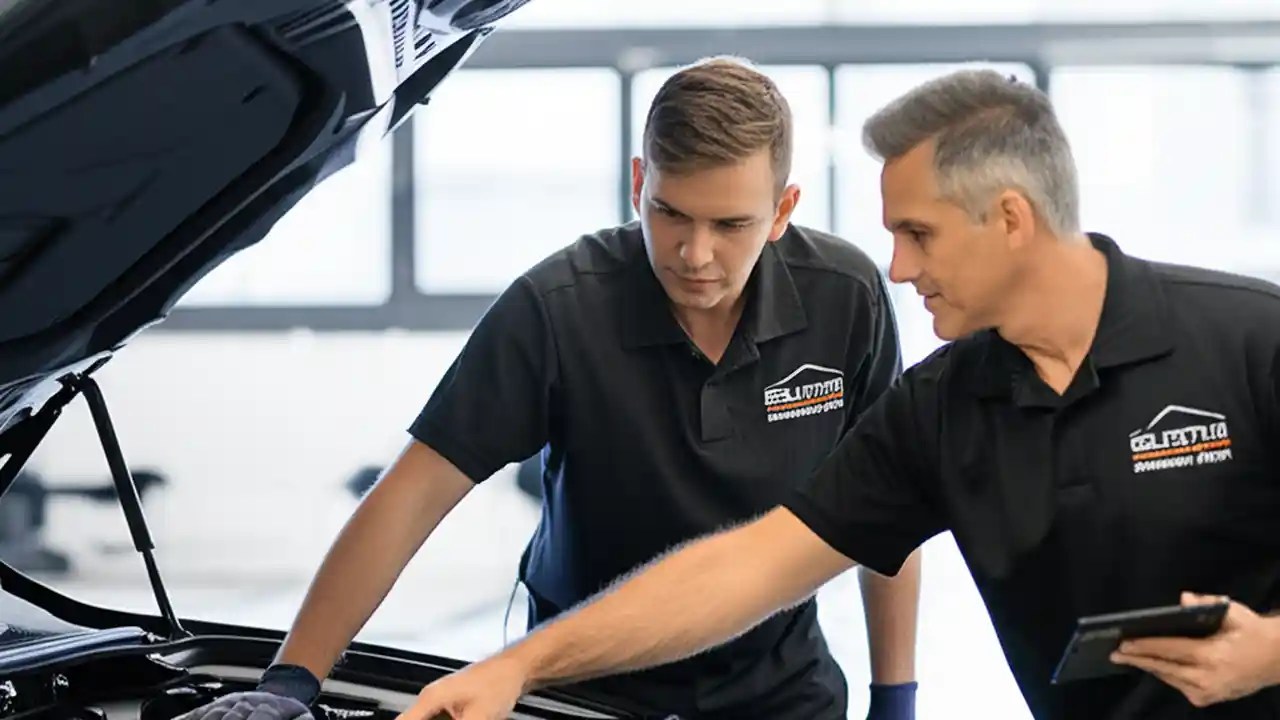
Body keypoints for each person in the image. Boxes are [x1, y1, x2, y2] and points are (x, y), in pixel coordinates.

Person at [399, 67, 1280, 720]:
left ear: (1010, 220)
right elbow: (746, 568)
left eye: (918, 234)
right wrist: (519, 665)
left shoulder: (1249, 341)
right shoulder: (940, 411)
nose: (896, 267)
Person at [177, 56, 924, 720]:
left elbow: (884, 514)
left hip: (782, 693)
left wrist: (896, 701)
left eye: (730, 224)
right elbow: (411, 496)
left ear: (783, 211)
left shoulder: (846, 298)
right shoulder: (559, 307)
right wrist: (292, 679)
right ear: (639, 183)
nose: (696, 253)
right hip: (580, 690)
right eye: (670, 214)